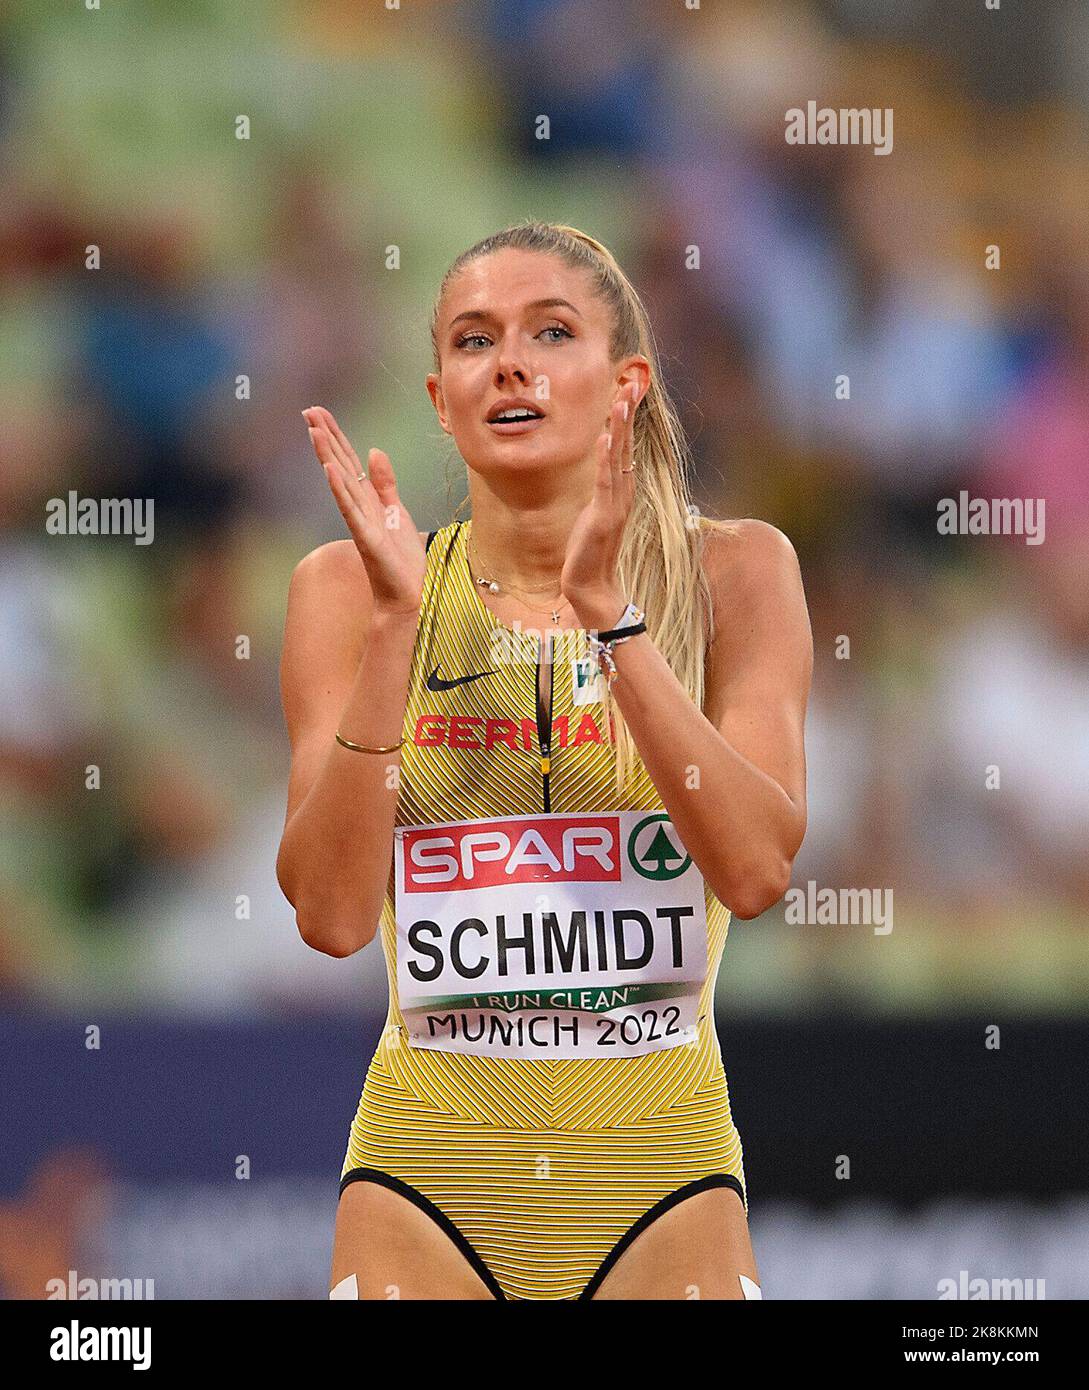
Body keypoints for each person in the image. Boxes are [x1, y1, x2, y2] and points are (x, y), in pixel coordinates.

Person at [277, 222, 812, 1300]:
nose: (509, 362)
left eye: (550, 331)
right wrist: (395, 632)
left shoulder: (737, 573)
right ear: (441, 398)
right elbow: (332, 916)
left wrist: (616, 623)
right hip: (422, 1188)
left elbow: (755, 871)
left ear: (627, 383)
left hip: (664, 1186)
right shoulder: (347, 588)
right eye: (475, 341)